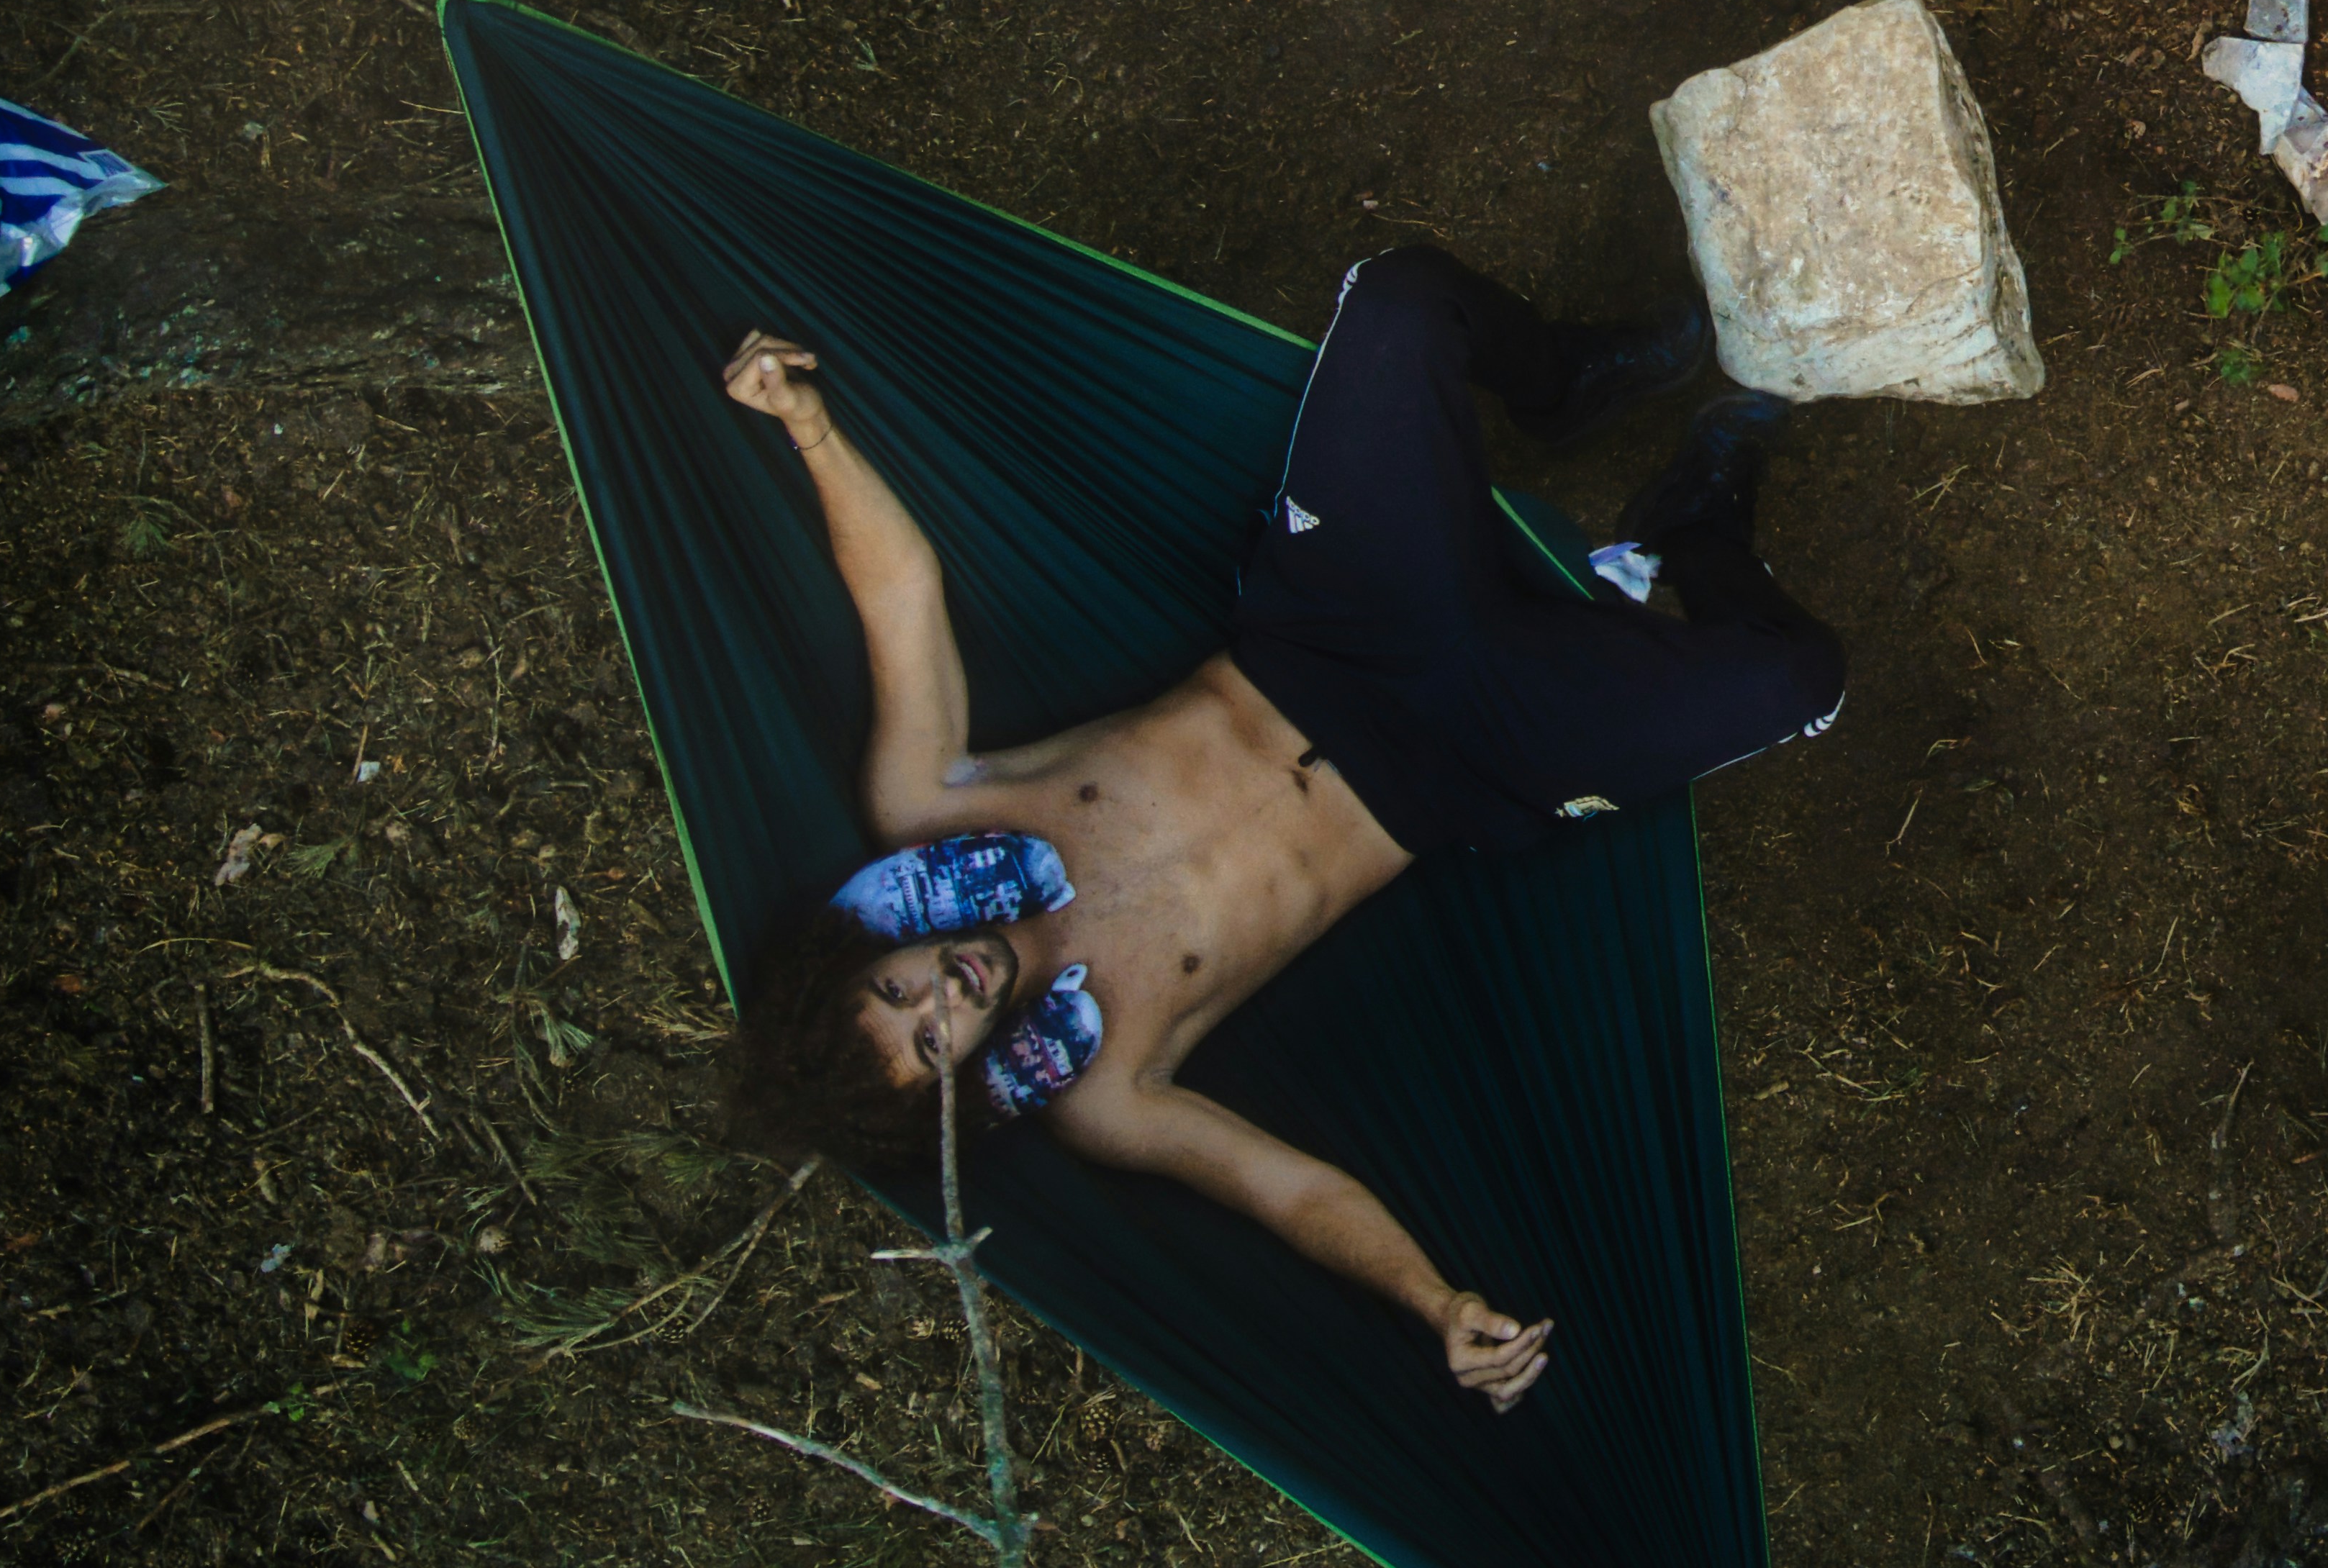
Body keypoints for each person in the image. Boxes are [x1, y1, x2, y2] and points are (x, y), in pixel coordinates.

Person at [712, 249, 1834, 1400]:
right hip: (1463, 766)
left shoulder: (925, 811)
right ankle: (1697, 532)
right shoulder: (1108, 1095)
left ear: (875, 946)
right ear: (961, 1088)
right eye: (931, 1042)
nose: (940, 996)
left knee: (1399, 300)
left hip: (1329, 627)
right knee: (1798, 684)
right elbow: (1284, 1192)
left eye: (895, 988)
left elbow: (899, 592)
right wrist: (1434, 1302)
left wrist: (808, 428)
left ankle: (1567, 381)